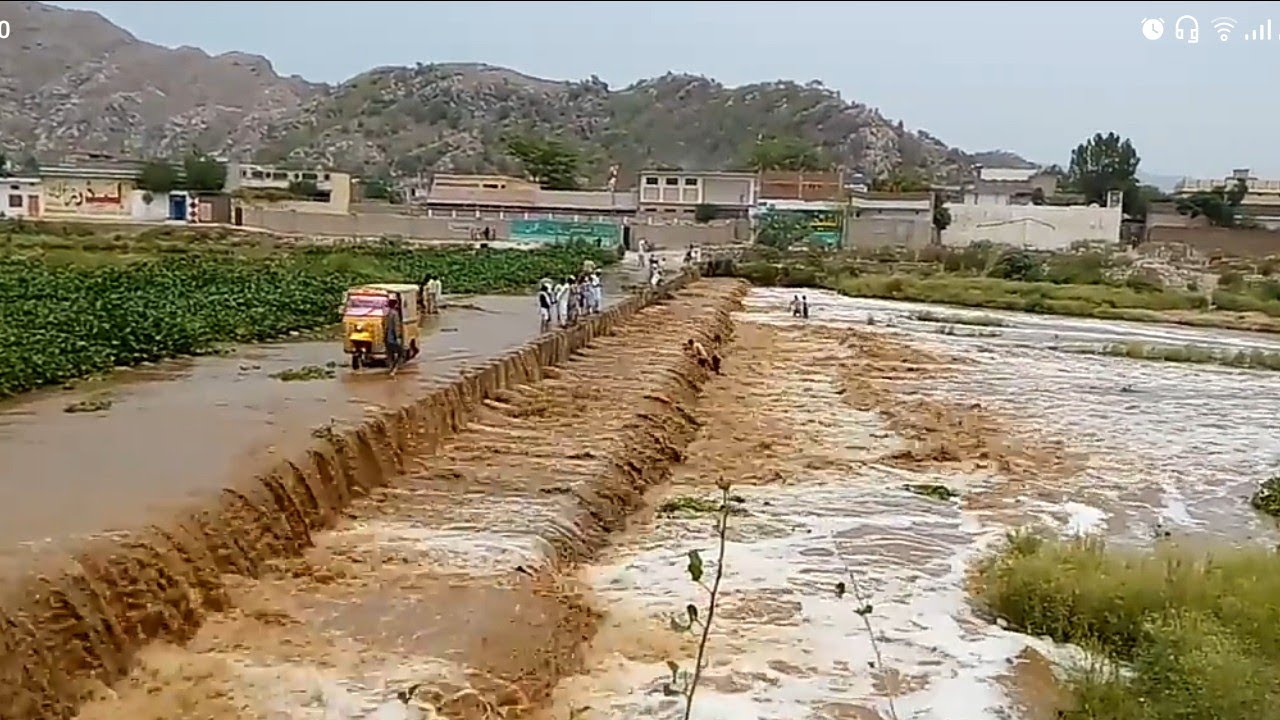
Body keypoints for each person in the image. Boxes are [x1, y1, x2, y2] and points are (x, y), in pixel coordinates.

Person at [384, 297, 404, 374]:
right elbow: (396, 326)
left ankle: (391, 367)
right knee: (401, 353)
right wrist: (398, 336)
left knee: (390, 354)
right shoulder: (395, 314)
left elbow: (385, 326)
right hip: (393, 338)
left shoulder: (387, 314)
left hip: (387, 338)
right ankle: (394, 368)